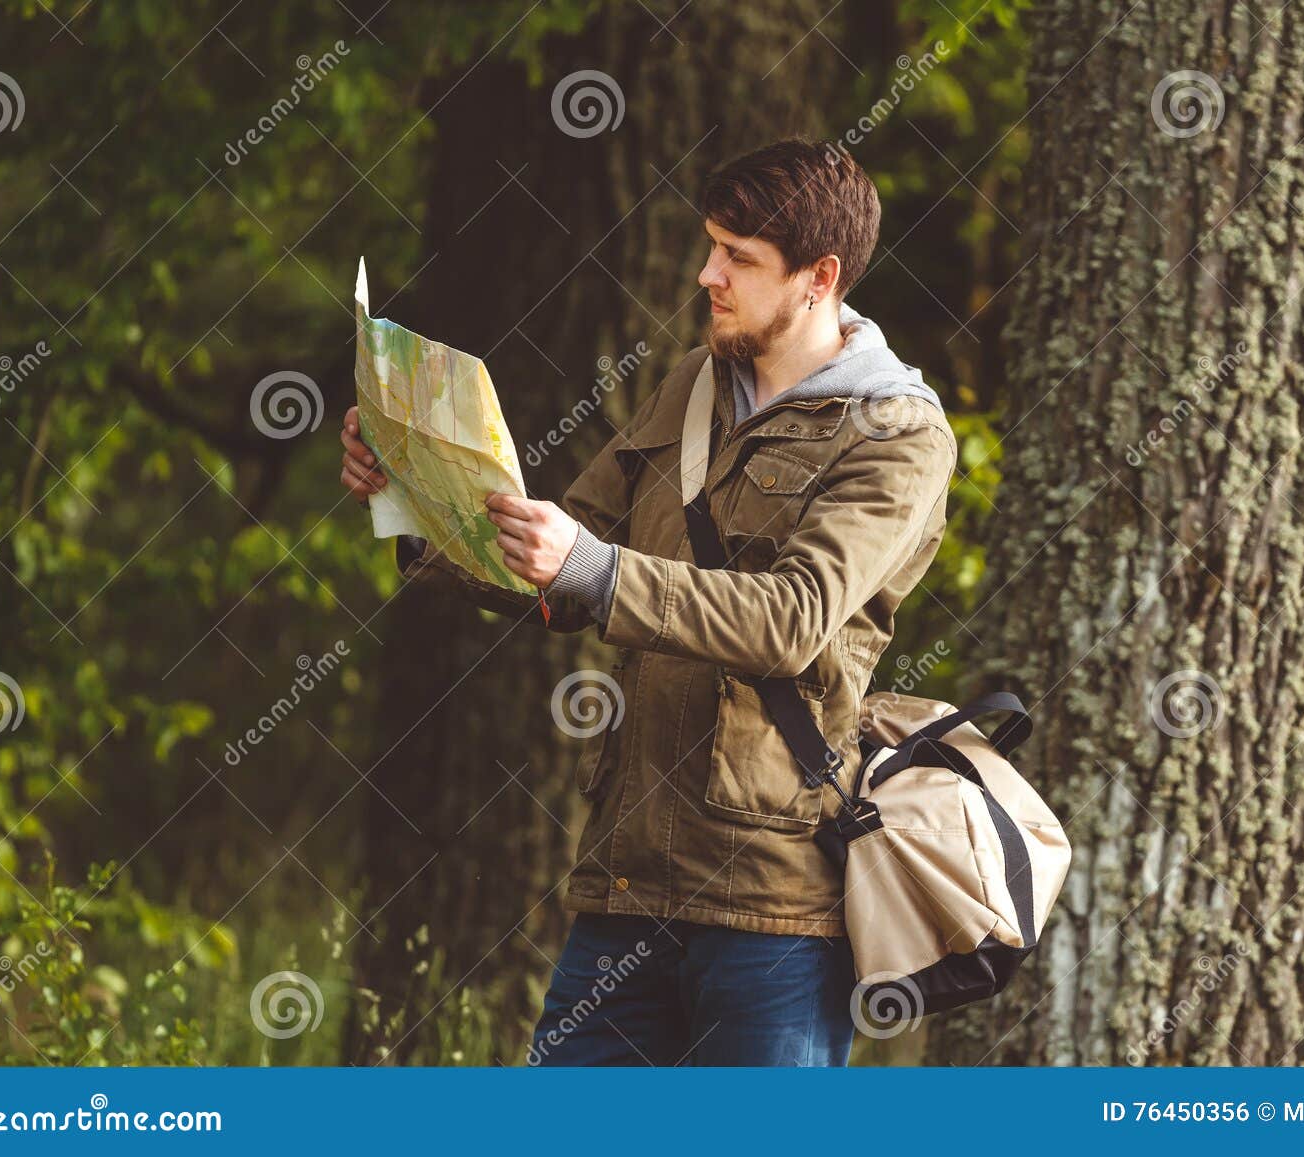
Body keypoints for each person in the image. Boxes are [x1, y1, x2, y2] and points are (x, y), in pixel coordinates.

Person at [339, 139, 957, 1066]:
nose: (708, 273)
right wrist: (416, 504)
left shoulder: (899, 435)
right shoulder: (694, 386)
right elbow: (562, 549)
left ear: (819, 277)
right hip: (626, 878)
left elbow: (790, 620)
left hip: (775, 908)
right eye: (711, 245)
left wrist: (591, 569)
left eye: (739, 258)